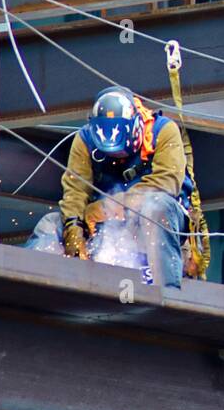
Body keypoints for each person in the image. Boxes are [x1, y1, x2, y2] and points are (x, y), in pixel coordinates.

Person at [24, 86, 191, 289]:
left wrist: (108, 207)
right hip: (105, 229)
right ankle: (34, 287)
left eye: (121, 152)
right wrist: (73, 229)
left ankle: (167, 292)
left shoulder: (164, 131)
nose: (116, 158)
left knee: (155, 207)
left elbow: (166, 183)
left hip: (155, 225)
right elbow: (75, 191)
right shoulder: (85, 140)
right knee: (50, 224)